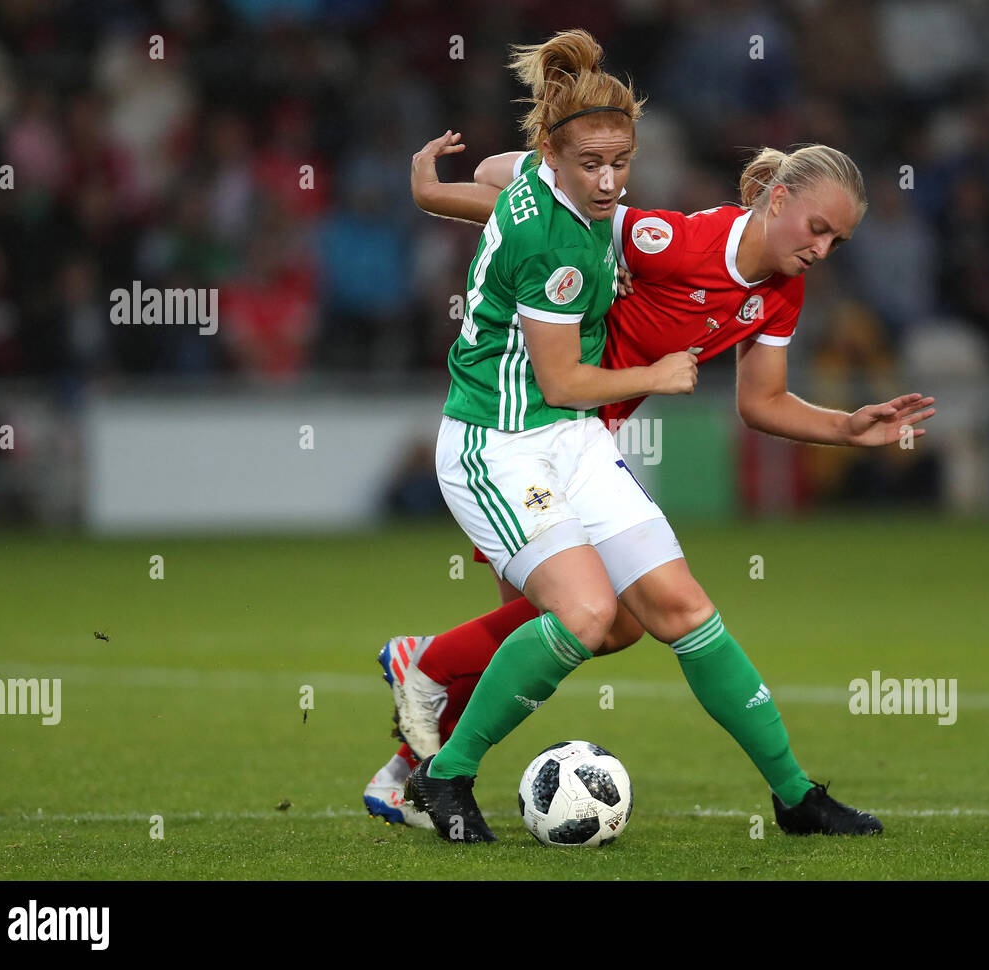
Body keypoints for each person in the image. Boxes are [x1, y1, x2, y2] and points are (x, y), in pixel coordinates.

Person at [392, 29, 930, 842]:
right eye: (816, 228)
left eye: (837, 242)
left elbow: (764, 402)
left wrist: (845, 429)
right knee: (576, 620)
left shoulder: (779, 291)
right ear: (775, 201)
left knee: (661, 612)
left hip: (581, 435)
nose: (821, 250)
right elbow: (533, 200)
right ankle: (430, 742)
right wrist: (455, 187)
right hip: (511, 433)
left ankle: (794, 797)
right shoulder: (665, 240)